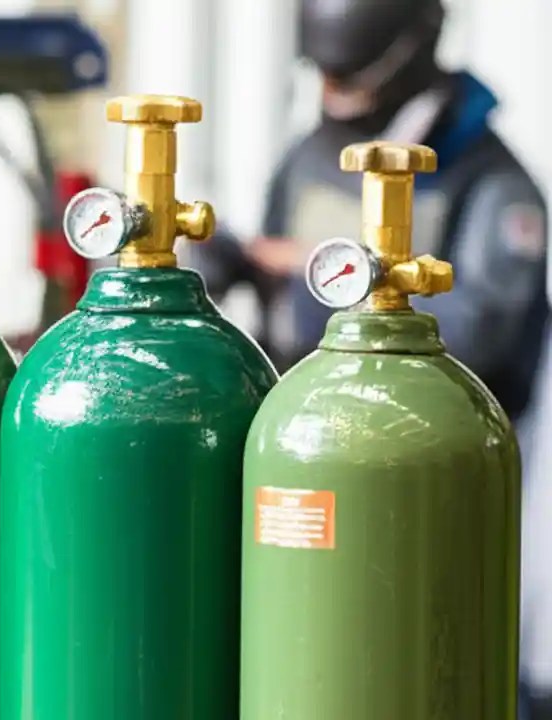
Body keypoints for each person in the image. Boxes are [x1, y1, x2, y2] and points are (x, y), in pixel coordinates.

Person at [191, 1, 550, 714]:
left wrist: (304, 267)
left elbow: (483, 336)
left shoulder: (492, 181)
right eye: (327, 78)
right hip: (305, 456)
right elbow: (273, 272)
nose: (336, 99)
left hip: (438, 473)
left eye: (350, 80)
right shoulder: (311, 156)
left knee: (427, 664)